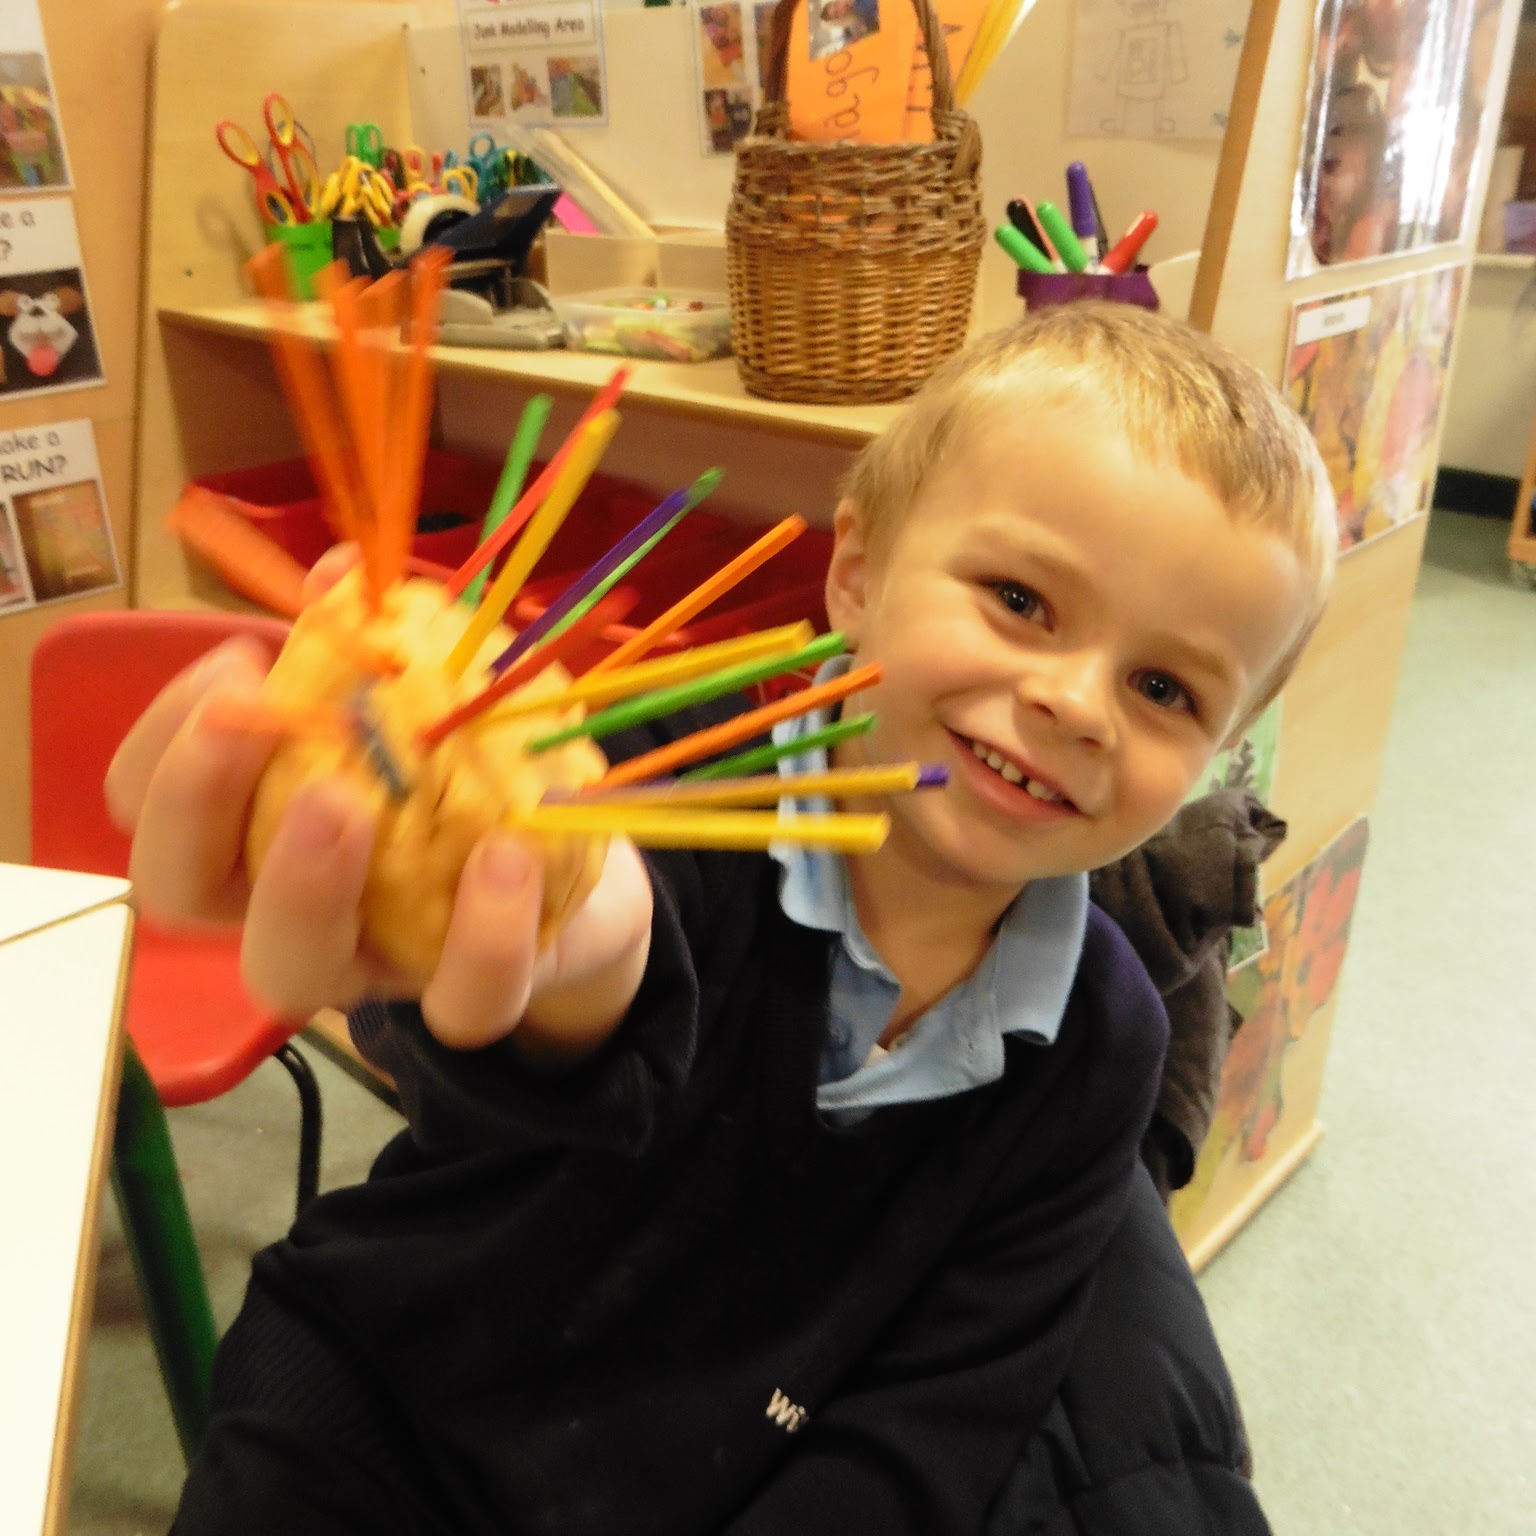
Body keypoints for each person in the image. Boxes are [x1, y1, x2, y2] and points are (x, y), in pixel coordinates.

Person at [108, 302, 1336, 1534]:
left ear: (1223, 758)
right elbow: (591, 944)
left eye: (1166, 688)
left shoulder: (1108, 1043)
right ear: (855, 574)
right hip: (404, 1391)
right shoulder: (656, 775)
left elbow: (942, 1409)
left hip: (718, 1462)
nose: (1076, 703)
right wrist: (570, 947)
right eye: (1020, 598)